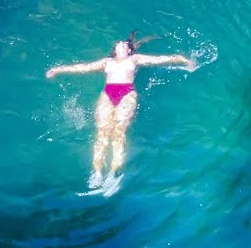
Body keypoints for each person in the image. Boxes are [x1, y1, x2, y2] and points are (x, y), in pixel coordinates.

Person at [46, 32, 198, 190]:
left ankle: (114, 172)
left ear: (128, 50)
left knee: (118, 132)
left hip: (126, 94)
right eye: (119, 42)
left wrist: (185, 60)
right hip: (107, 95)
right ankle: (97, 172)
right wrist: (58, 69)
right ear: (115, 49)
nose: (121, 42)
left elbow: (161, 59)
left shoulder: (135, 59)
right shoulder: (107, 62)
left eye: (125, 43)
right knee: (102, 133)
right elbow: (83, 67)